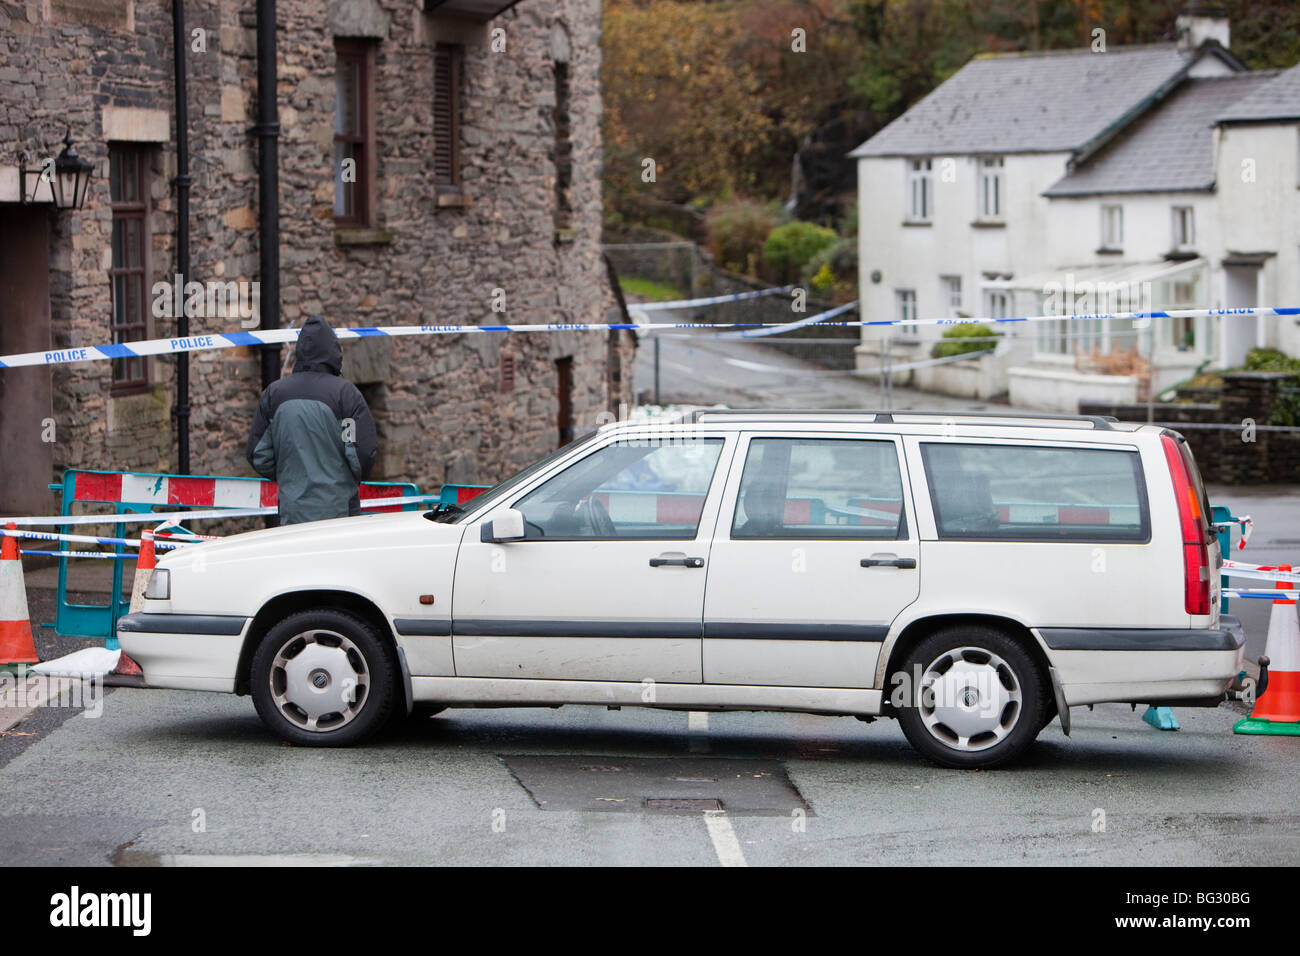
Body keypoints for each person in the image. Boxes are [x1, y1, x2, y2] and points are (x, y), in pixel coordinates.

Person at [246, 315, 378, 525]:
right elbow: (361, 455)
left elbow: (259, 454)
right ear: (334, 352)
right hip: (339, 512)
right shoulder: (345, 394)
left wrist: (291, 477)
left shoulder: (274, 394)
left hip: (292, 513)